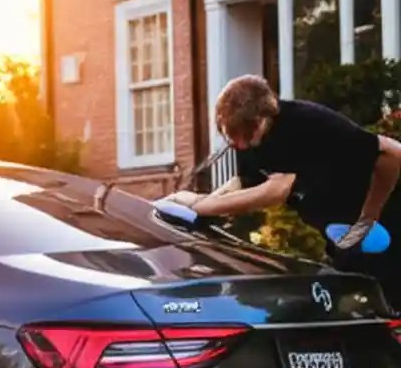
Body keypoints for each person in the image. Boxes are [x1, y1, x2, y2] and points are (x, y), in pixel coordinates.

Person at [166, 74, 401, 300]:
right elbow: (243, 184)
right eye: (230, 136)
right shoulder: (250, 143)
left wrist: (371, 212)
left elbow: (392, 151)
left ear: (261, 118)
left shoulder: (306, 124)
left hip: (385, 222)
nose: (237, 144)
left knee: (385, 296)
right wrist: (198, 204)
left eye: (241, 135)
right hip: (341, 231)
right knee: (355, 298)